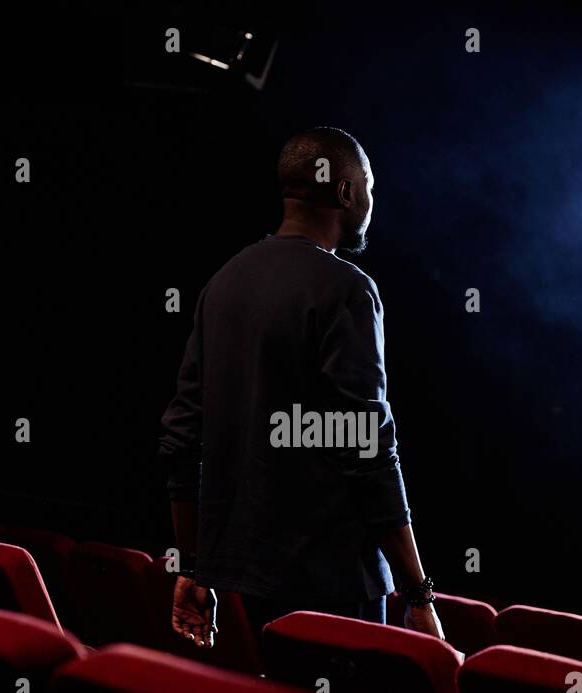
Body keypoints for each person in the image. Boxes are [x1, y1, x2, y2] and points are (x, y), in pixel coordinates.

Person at [159, 126, 444, 650]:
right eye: (370, 187)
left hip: (243, 579)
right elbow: (367, 450)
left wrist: (194, 568)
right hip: (333, 586)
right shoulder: (348, 290)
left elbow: (180, 436)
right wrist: (417, 593)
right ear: (345, 193)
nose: (371, 201)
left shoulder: (221, 284)